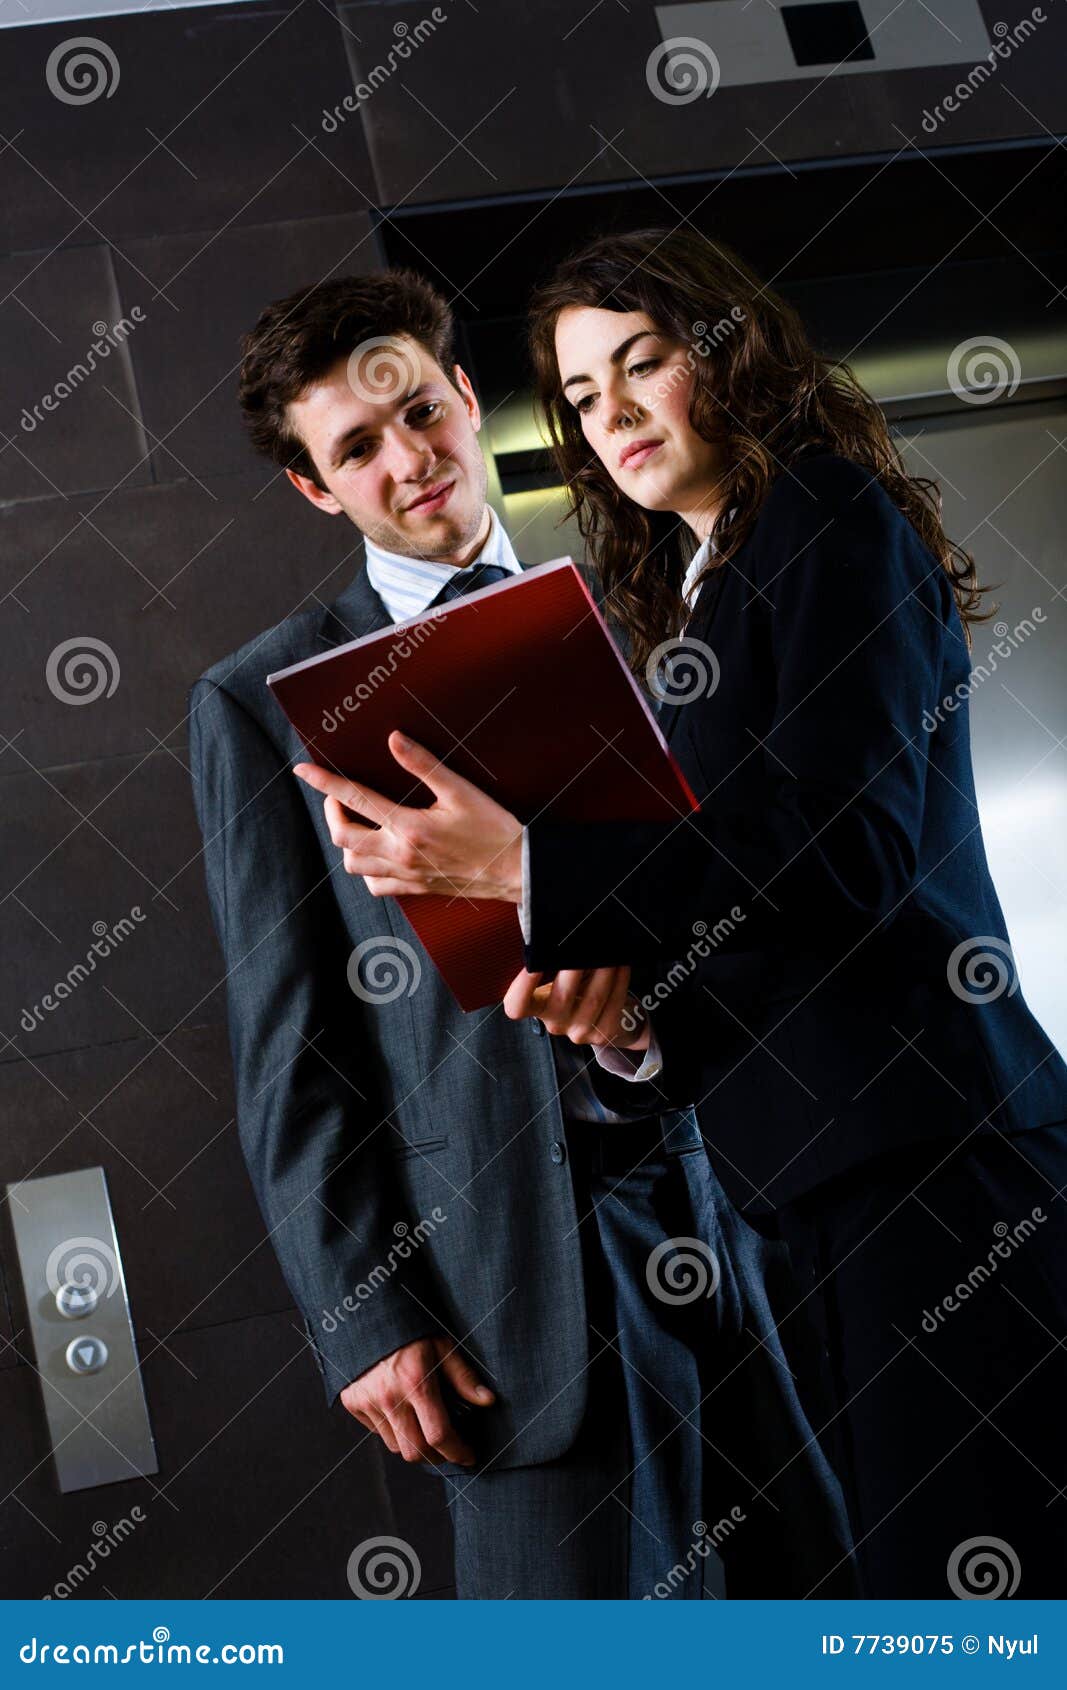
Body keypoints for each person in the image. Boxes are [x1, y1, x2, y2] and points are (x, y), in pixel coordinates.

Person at [302, 228, 1067, 1598]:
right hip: (805, 1187)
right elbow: (753, 912)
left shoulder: (824, 514)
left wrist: (529, 870)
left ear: (732, 355)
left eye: (643, 364)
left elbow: (844, 854)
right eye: (585, 399)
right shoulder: (693, 596)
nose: (616, 417)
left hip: (931, 1164)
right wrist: (633, 1023)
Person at [187, 265, 856, 1600]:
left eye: (424, 413)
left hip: (730, 1218)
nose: (413, 460)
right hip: (494, 1281)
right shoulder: (257, 703)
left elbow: (737, 899)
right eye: (359, 449)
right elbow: (289, 1045)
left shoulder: (644, 609)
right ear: (317, 491)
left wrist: (647, 1028)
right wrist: (364, 1320)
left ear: (466, 402)